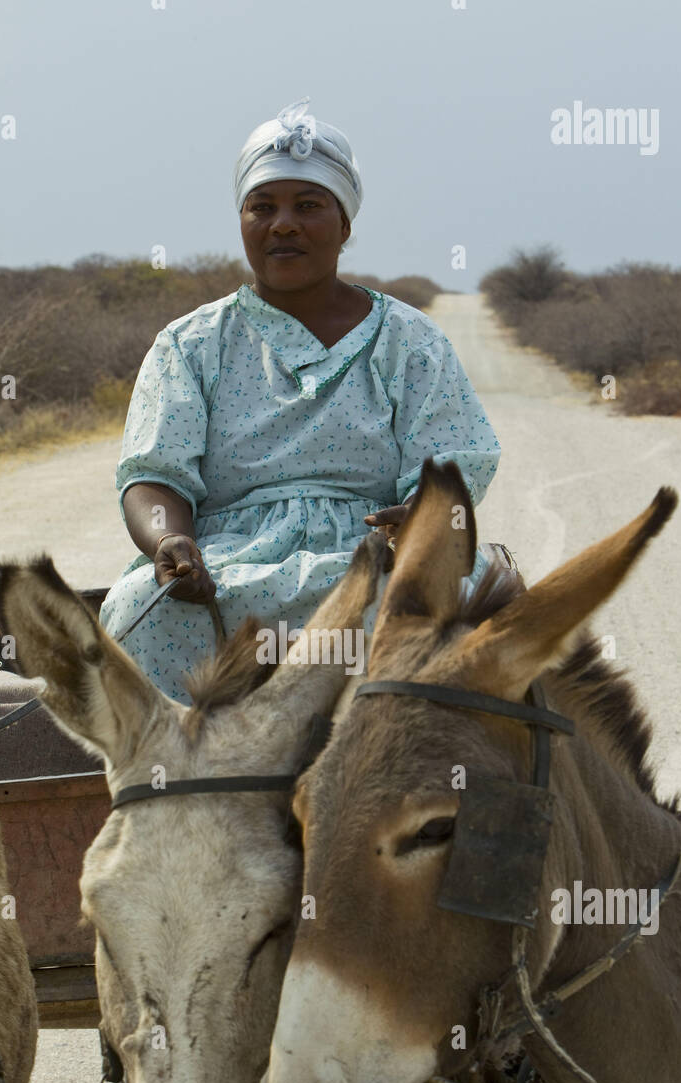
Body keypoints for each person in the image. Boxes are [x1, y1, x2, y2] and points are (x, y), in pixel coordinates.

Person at [100, 98, 502, 700]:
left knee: (466, 614)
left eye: (308, 206)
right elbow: (155, 478)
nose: (282, 223)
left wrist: (422, 521)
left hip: (376, 563)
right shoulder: (190, 345)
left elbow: (450, 474)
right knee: (141, 609)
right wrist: (167, 541)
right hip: (225, 573)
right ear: (241, 222)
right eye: (262, 207)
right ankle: (178, 783)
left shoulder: (411, 342)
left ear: (345, 225)